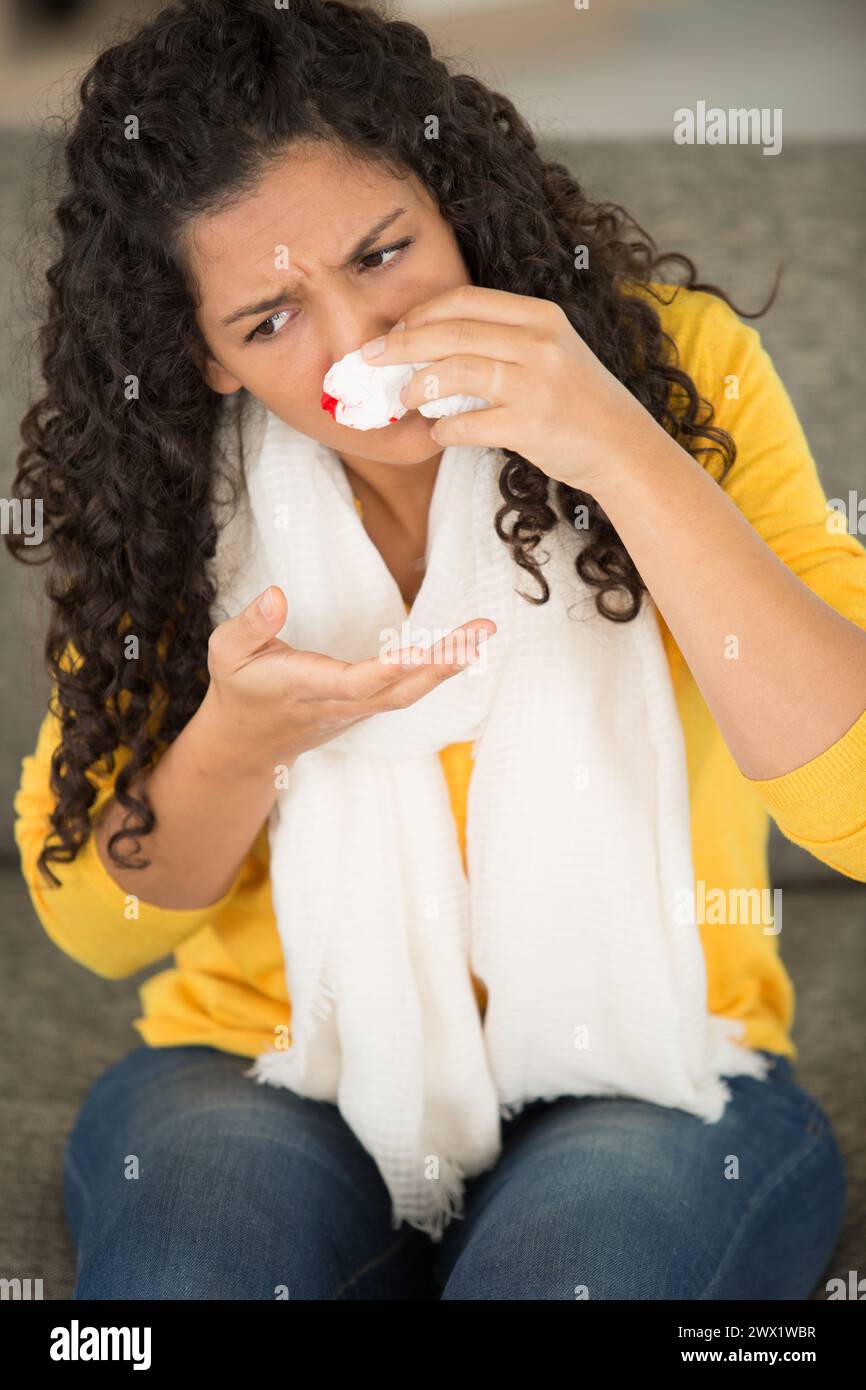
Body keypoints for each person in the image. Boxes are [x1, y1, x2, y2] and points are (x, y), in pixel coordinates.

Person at [8, 0, 864, 1300]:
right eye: (269, 319)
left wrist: (618, 449)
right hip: (268, 1062)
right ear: (208, 358)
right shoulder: (165, 475)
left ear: (450, 197)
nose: (358, 343)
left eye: (382, 251)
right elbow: (101, 923)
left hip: (646, 1064)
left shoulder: (676, 368)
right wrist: (240, 738)